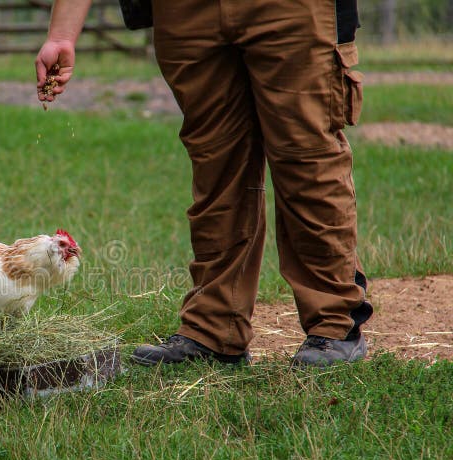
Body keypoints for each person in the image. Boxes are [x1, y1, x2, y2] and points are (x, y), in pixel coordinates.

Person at [35, 0, 373, 367]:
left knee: (305, 155)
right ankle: (214, 329)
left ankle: (334, 324)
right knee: (216, 165)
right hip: (185, 11)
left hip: (288, 7)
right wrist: (61, 34)